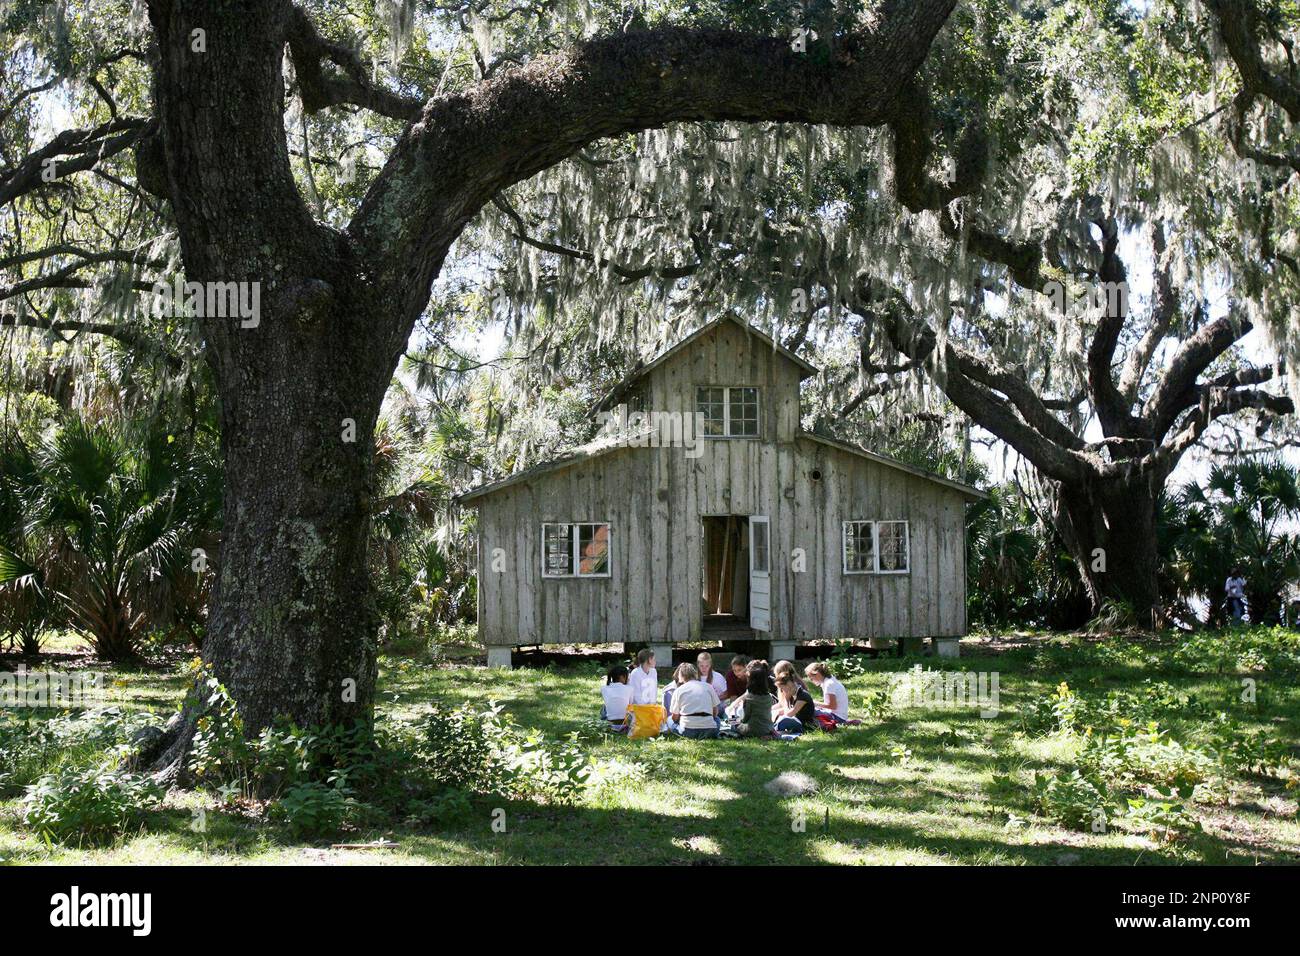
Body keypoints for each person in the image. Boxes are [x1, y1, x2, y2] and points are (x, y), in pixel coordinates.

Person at [667, 663, 722, 739]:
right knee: (717, 719)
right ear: (695, 674)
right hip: (710, 730)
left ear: (681, 676)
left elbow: (674, 717)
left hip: (687, 731)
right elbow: (715, 713)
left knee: (669, 720)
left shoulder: (678, 690)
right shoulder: (708, 686)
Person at [726, 660, 775, 738]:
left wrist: (732, 714)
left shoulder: (749, 699)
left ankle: (728, 721)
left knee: (731, 721)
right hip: (766, 729)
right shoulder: (769, 697)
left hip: (750, 730)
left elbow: (745, 719)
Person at [600, 665, 632, 729]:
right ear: (623, 677)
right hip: (626, 723)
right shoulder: (630, 688)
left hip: (610, 723)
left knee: (604, 707)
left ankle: (605, 723)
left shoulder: (603, 688)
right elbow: (630, 704)